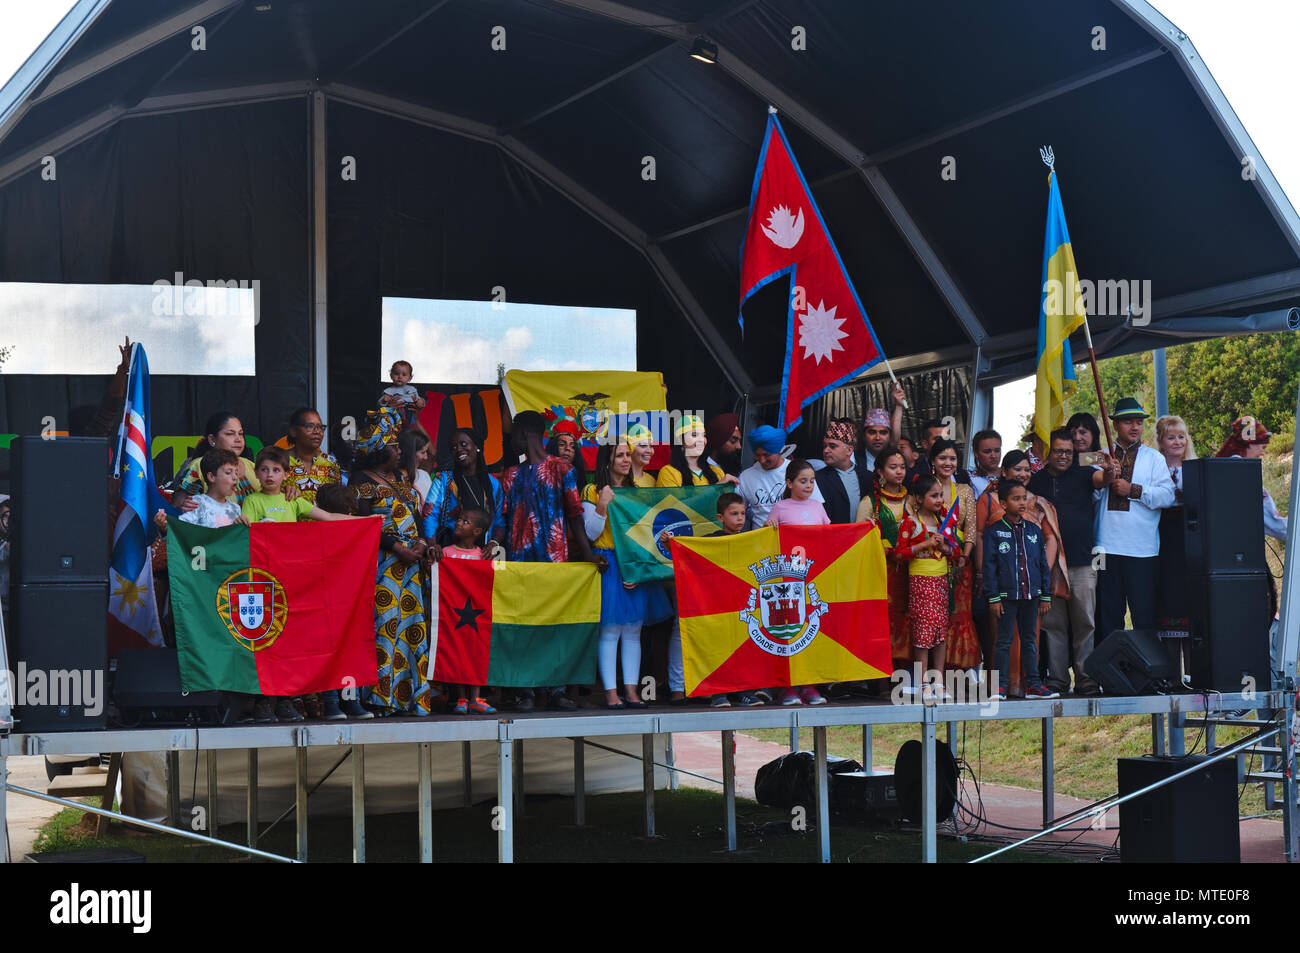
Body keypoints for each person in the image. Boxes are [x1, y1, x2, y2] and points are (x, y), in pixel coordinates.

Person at [494, 410, 606, 712]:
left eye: (514, 434)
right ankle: (525, 691)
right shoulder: (511, 474)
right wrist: (493, 544)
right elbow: (503, 518)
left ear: (525, 434)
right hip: (519, 561)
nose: (512, 440)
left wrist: (588, 555)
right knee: (523, 623)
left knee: (555, 624)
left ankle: (556, 690)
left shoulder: (562, 469)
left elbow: (575, 516)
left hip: (554, 560)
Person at [351, 407, 436, 717]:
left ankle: (413, 697)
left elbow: (416, 515)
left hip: (412, 565)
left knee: (413, 626)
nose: (401, 451)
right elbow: (361, 523)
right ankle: (381, 699)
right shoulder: (360, 480)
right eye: (394, 446)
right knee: (385, 626)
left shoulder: (402, 477)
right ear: (377, 449)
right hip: (384, 565)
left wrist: (423, 544)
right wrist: (397, 547)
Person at [975, 449, 1066, 695]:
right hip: (1005, 596)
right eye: (1016, 499)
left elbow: (1040, 565)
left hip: (1031, 595)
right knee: (1003, 642)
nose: (1022, 503)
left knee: (1030, 641)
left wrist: (1045, 594)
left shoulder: (1033, 531)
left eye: (1024, 499)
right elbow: (990, 566)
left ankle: (1034, 684)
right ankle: (1002, 686)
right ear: (1003, 503)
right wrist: (992, 596)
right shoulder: (995, 530)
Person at [1029, 429, 1112, 695]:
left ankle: (1087, 680)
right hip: (1049, 564)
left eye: (1068, 451)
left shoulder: (1085, 473)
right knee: (1053, 625)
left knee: (1085, 623)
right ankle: (1057, 680)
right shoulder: (1036, 481)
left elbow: (1103, 478)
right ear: (1048, 453)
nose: (1063, 456)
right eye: (1058, 451)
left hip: (1083, 562)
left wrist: (1110, 470)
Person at [1095, 398, 1177, 645]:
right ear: (1116, 425)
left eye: (1139, 422)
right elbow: (1083, 494)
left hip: (1143, 550)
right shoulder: (1096, 457)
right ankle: (1110, 679)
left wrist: (1133, 490)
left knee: (1144, 617)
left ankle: (1146, 680)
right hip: (1103, 548)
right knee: (1106, 617)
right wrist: (1106, 477)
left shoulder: (1154, 458)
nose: (1135, 427)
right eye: (1128, 422)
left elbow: (1169, 496)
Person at [584, 442, 654, 711]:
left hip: (632, 563)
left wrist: (637, 568)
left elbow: (644, 534)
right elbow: (590, 534)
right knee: (610, 630)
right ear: (607, 460)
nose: (627, 459)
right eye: (620, 455)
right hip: (608, 562)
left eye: (628, 454)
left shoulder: (637, 492)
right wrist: (602, 504)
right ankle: (611, 694)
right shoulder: (592, 490)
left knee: (633, 631)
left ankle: (632, 692)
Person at [765, 460, 828, 706]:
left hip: (814, 579)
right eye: (803, 481)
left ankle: (810, 686)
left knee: (813, 630)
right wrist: (768, 526)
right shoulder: (780, 507)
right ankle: (788, 687)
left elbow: (831, 537)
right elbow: (766, 541)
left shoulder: (818, 507)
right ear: (789, 483)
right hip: (788, 582)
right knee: (790, 633)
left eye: (812, 481)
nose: (809, 486)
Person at [893, 475, 959, 701]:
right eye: (934, 495)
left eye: (941, 495)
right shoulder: (911, 522)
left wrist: (946, 548)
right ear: (919, 498)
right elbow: (899, 554)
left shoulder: (944, 522)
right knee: (923, 632)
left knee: (941, 631)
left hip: (941, 582)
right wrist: (925, 544)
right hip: (921, 582)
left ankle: (938, 680)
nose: (939, 500)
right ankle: (922, 682)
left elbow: (955, 553)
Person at [703, 492, 764, 707]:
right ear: (720, 518)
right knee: (719, 650)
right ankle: (718, 693)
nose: (740, 518)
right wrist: (670, 541)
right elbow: (686, 550)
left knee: (743, 649)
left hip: (743, 606)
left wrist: (772, 530)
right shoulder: (710, 541)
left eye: (742, 514)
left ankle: (743, 692)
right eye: (733, 514)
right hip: (718, 607)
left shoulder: (750, 539)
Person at [858, 447, 911, 679]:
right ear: (879, 471)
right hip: (882, 572)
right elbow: (858, 539)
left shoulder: (914, 500)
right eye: (893, 467)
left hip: (911, 572)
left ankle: (904, 676)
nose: (899, 472)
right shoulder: (870, 502)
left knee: (907, 621)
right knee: (882, 622)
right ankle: (879, 680)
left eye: (902, 467)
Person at [928, 438, 979, 672]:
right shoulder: (924, 488)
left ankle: (954, 672)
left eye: (952, 459)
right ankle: (930, 672)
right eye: (942, 458)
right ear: (932, 461)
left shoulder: (965, 490)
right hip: (930, 561)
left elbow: (971, 529)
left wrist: (964, 557)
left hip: (961, 563)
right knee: (932, 615)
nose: (947, 463)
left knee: (958, 616)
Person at [441, 508, 498, 715]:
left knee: (475, 655)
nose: (458, 523)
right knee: (457, 654)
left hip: (476, 616)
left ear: (477, 532)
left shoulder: (481, 554)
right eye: (459, 519)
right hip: (453, 615)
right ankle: (462, 698)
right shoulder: (446, 552)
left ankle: (476, 698)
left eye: (465, 522)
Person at [172, 412, 266, 510]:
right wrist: (185, 506)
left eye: (241, 434)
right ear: (212, 439)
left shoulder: (252, 466)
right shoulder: (198, 465)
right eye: (230, 434)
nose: (238, 439)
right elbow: (177, 506)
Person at [1216, 415, 1287, 540]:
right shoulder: (1241, 472)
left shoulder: (1222, 467)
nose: (1262, 453)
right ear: (1249, 443)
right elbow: (1277, 525)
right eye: (1262, 447)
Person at [242, 447, 358, 525]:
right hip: (264, 560)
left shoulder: (292, 499)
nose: (270, 475)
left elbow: (329, 517)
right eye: (264, 470)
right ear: (256, 473)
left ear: (286, 475)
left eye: (276, 470)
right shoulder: (251, 501)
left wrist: (369, 519)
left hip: (289, 559)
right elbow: (246, 533)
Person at [738, 425, 824, 528]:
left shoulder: (797, 471)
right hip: (763, 541)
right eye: (757, 455)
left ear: (779, 450)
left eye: (766, 455)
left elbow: (817, 507)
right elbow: (735, 508)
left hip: (796, 539)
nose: (762, 460)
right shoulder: (746, 476)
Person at [815, 418, 871, 523]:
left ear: (849, 450)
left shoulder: (868, 477)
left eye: (832, 446)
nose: (826, 450)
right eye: (825, 446)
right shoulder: (817, 479)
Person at [177, 449, 248, 529]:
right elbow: (182, 531)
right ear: (211, 477)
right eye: (228, 472)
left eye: (236, 473)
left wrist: (241, 526)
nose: (235, 477)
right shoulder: (196, 504)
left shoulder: (235, 508)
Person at [285, 407, 341, 504]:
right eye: (309, 426)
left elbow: (338, 500)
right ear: (293, 431)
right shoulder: (280, 461)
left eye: (320, 427)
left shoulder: (330, 463)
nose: (317, 431)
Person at [657, 415, 730, 486]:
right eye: (694, 435)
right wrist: (716, 488)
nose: (701, 440)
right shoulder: (668, 472)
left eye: (703, 435)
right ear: (680, 440)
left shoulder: (717, 471)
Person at [907, 419, 972, 485]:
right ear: (925, 444)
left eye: (946, 438)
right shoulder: (913, 475)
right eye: (938, 439)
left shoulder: (963, 475)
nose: (943, 442)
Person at [858, 383, 906, 469]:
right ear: (864, 435)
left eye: (883, 433)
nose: (877, 437)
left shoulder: (896, 461)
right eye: (872, 432)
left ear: (889, 436)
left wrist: (899, 406)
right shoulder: (853, 461)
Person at [380, 359, 426, 429]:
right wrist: (384, 400)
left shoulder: (412, 389)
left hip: (409, 410)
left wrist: (421, 402)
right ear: (391, 375)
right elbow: (380, 404)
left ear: (410, 378)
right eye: (396, 374)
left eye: (404, 375)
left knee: (413, 427)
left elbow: (418, 399)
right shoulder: (389, 390)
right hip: (396, 411)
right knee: (390, 423)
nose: (400, 377)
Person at [547, 419, 589, 487]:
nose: (568, 448)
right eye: (562, 444)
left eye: (572, 446)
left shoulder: (580, 480)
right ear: (553, 447)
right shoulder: (542, 476)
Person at [704, 412, 743, 476]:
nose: (739, 447)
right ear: (718, 442)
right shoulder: (702, 471)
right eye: (733, 441)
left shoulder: (734, 471)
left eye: (739, 441)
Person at [968, 430, 1002, 497]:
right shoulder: (967, 478)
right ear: (976, 453)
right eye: (987, 452)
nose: (993, 456)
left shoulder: (1011, 475)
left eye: (997, 450)